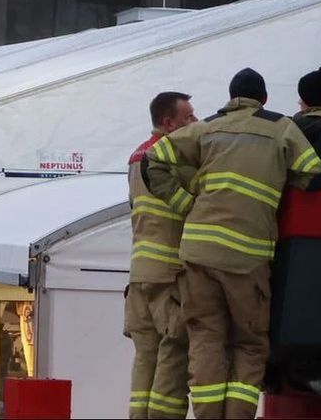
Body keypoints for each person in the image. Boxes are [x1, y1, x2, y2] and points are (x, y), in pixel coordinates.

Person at [144, 68, 321, 419]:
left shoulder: (207, 127)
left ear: (230, 97)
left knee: (206, 338)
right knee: (250, 342)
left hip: (199, 252)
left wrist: (187, 205)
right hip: (248, 256)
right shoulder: (281, 127)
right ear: (265, 99)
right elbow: (314, 176)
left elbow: (154, 160)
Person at [126, 90, 197, 419]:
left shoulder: (136, 157)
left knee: (145, 359)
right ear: (169, 123)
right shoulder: (173, 157)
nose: (195, 123)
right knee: (173, 351)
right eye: (189, 118)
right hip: (169, 273)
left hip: (139, 274)